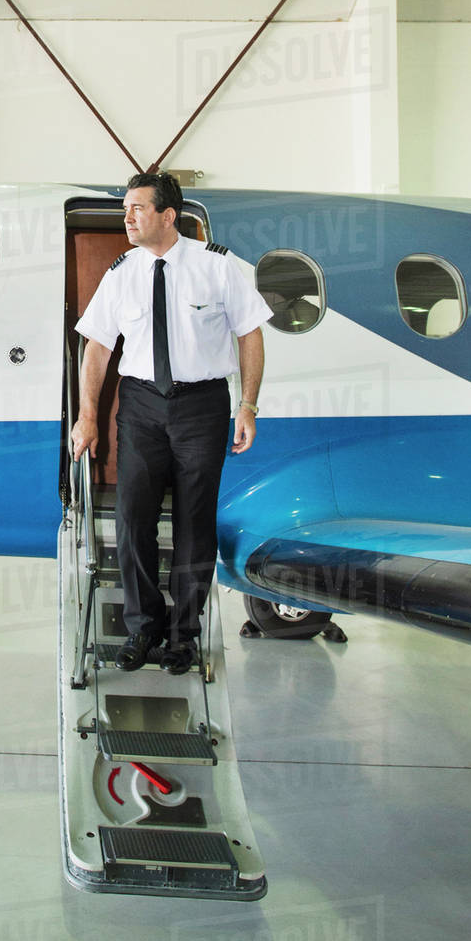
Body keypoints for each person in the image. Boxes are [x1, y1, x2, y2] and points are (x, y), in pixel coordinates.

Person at [71, 171, 271, 674]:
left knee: (193, 525)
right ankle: (143, 629)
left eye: (137, 208)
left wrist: (247, 404)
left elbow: (249, 335)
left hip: (201, 407)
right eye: (125, 210)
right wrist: (88, 415)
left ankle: (183, 636)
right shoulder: (121, 274)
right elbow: (97, 346)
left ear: (168, 215)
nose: (128, 217)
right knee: (132, 519)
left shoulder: (218, 268)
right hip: (140, 408)